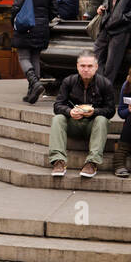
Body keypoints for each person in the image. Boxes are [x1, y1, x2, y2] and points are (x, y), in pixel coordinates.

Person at [49, 50, 116, 179]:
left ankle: (92, 162)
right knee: (58, 118)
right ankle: (58, 161)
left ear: (96, 67)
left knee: (102, 119)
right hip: (73, 123)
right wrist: (69, 112)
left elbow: (110, 110)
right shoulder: (69, 81)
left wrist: (95, 112)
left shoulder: (105, 84)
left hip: (93, 126)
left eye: (90, 66)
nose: (86, 69)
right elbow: (57, 106)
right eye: (83, 66)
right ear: (77, 66)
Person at [11, 0, 56, 104]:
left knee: (24, 57)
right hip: (42, 27)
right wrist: (44, 21)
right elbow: (53, 10)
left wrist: (13, 21)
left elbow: (16, 6)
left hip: (26, 26)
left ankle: (35, 84)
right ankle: (32, 93)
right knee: (36, 57)